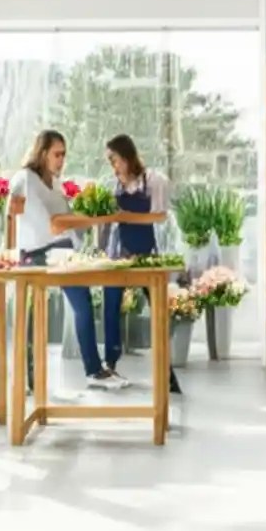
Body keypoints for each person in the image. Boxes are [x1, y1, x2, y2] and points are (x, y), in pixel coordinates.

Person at [52, 134, 181, 394]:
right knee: (111, 311)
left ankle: (167, 372)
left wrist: (126, 216)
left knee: (158, 313)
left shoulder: (152, 181)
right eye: (110, 161)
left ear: (127, 156)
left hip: (146, 257)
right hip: (117, 257)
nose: (113, 166)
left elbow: (159, 216)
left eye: (115, 160)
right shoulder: (111, 186)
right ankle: (109, 365)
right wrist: (99, 251)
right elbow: (106, 223)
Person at [7, 130, 99, 390]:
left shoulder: (55, 186)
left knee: (83, 302)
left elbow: (67, 221)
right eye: (57, 154)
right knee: (31, 319)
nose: (61, 160)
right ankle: (27, 379)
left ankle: (94, 369)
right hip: (35, 256)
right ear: (42, 152)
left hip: (61, 254)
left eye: (64, 155)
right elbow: (20, 219)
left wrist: (93, 217)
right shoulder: (25, 180)